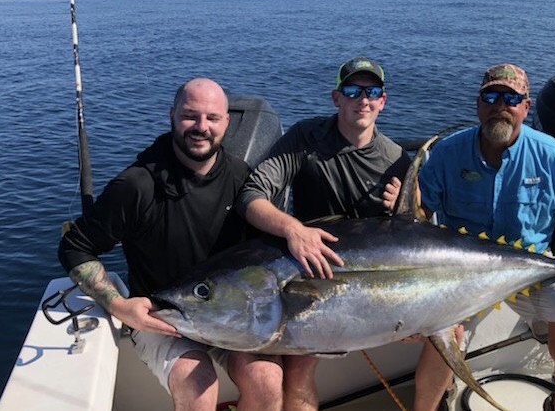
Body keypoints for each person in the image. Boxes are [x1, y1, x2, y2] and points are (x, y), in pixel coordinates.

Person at [58, 78, 284, 411]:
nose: (201, 127)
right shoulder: (136, 186)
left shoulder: (241, 179)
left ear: (227, 122)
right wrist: (119, 306)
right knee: (198, 384)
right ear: (172, 116)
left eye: (212, 118)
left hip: (228, 313)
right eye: (190, 116)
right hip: (163, 317)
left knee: (267, 379)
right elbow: (74, 248)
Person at [235, 56, 411, 410]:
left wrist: (405, 208)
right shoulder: (305, 139)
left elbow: (416, 229)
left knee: (298, 365)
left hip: (369, 283)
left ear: (382, 101)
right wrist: (293, 229)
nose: (363, 99)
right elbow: (251, 197)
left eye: (372, 91)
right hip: (311, 273)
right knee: (291, 364)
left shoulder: (396, 159)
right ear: (336, 98)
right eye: (352, 90)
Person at [415, 64, 555, 411]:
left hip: (533, 266)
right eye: (491, 96)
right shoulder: (448, 153)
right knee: (444, 334)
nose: (500, 105)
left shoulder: (551, 155)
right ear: (478, 104)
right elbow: (420, 215)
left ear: (526, 107)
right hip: (462, 272)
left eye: (511, 98)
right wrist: (406, 205)